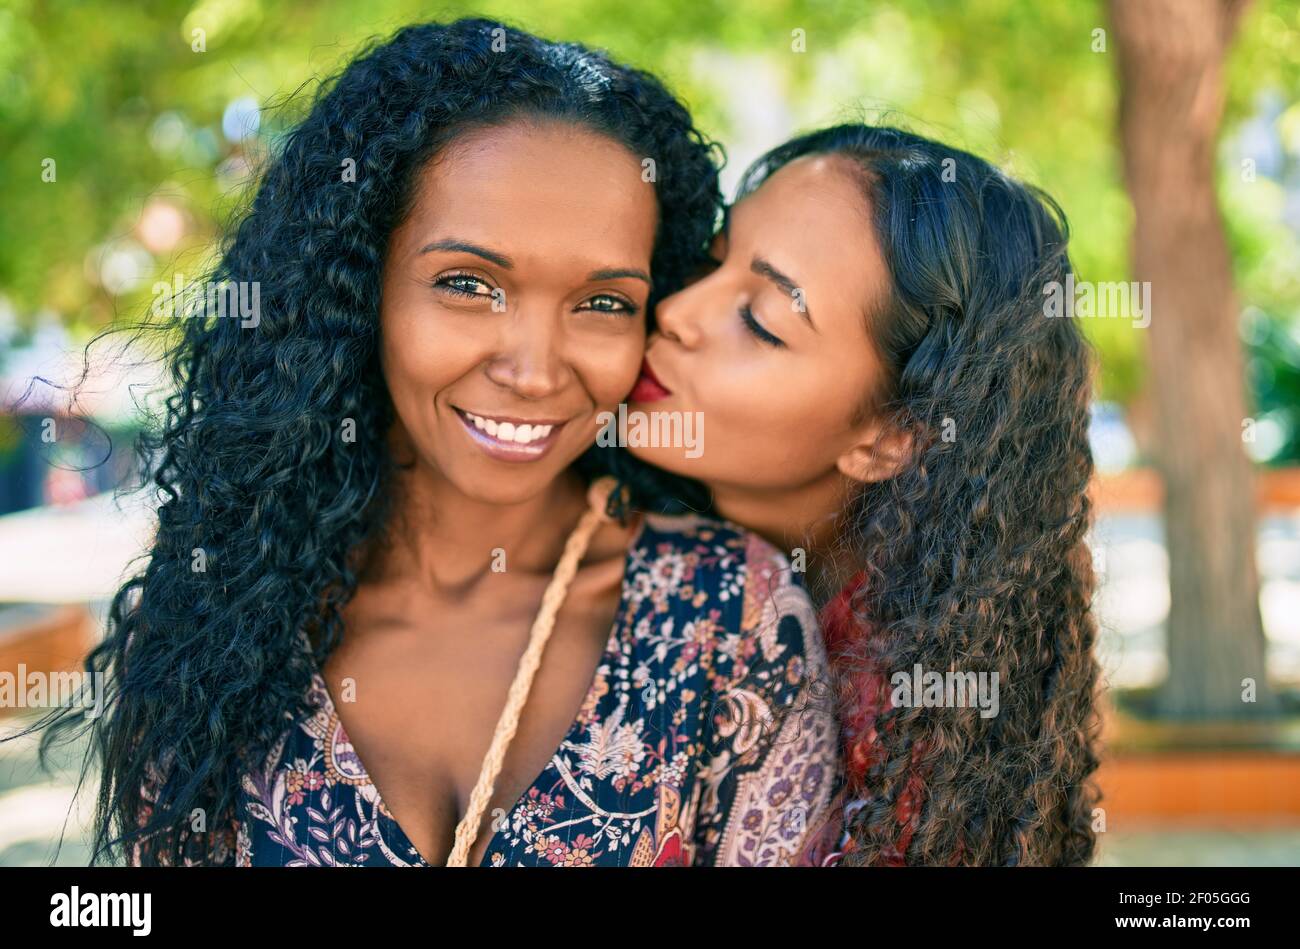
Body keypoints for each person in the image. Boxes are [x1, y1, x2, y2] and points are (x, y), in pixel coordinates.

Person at [34, 19, 839, 867]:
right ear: (360, 287)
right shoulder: (224, 612)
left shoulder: (732, 623)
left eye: (602, 302)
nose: (534, 370)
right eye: (468, 285)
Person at [626, 124, 1104, 866]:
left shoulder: (902, 730)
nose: (677, 311)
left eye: (760, 321)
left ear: (889, 438)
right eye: (709, 263)